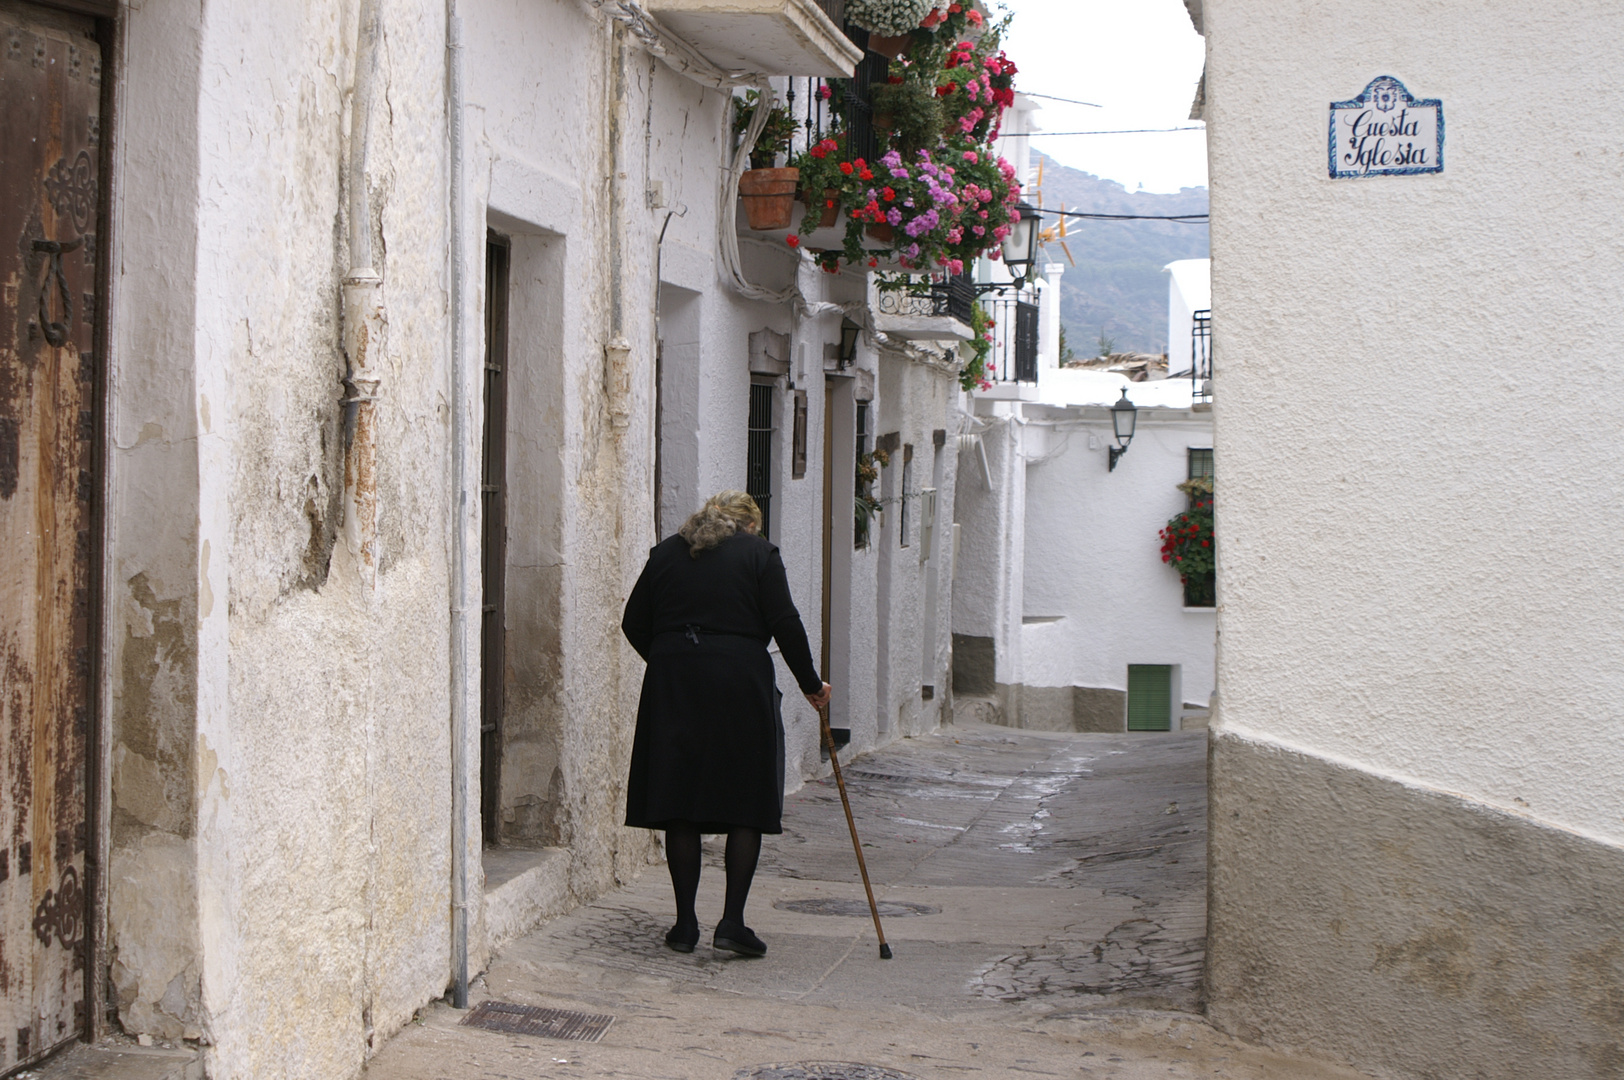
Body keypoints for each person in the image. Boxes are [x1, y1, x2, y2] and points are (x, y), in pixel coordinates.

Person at [621, 491, 831, 956]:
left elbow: (633, 622)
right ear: (748, 526)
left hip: (674, 684)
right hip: (739, 681)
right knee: (745, 798)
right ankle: (732, 922)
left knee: (680, 798)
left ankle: (683, 925)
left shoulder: (666, 554)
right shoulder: (760, 554)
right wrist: (811, 685)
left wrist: (668, 659)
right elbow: (786, 623)